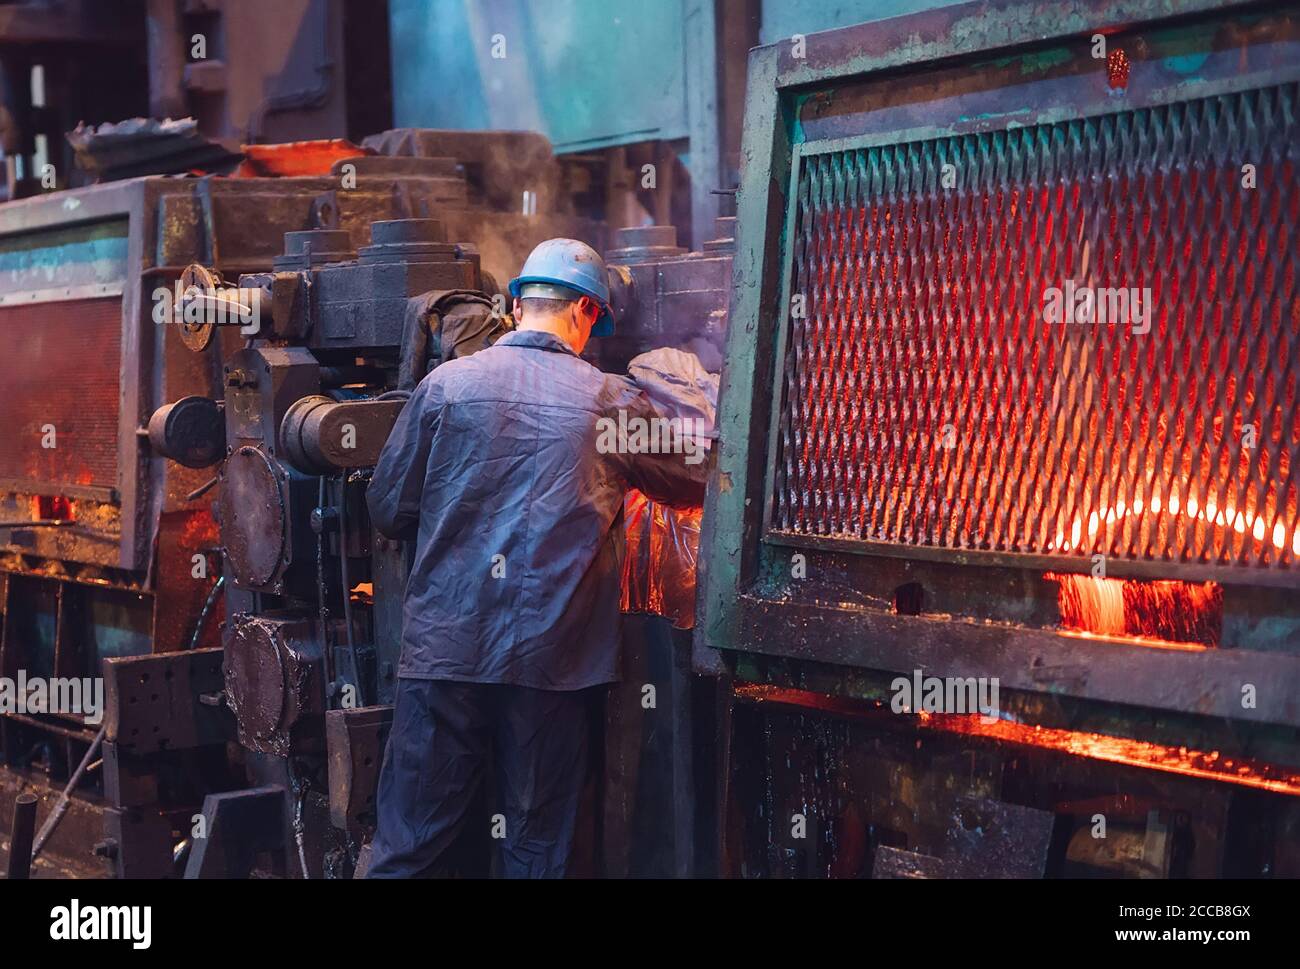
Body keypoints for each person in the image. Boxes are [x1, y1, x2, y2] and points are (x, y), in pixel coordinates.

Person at [365, 238, 708, 877]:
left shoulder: (446, 387)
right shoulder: (607, 400)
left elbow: (387, 508)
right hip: (552, 663)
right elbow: (692, 480)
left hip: (446, 654)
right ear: (584, 311)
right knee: (534, 849)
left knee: (411, 845)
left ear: (519, 304)